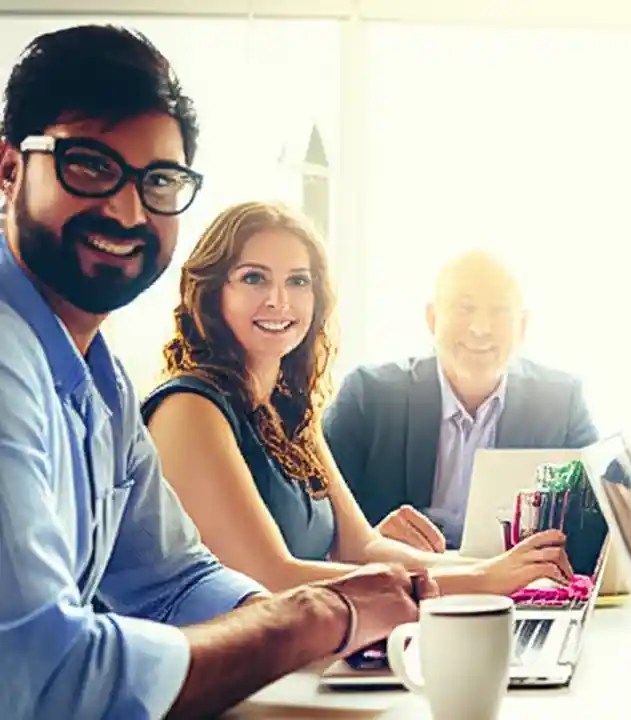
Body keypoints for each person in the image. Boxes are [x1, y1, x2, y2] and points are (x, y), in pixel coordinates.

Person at [0, 25, 424, 718]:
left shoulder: (100, 381)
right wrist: (316, 618)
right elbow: (43, 672)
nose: (127, 209)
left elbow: (174, 581)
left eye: (159, 180)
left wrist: (340, 628)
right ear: (9, 169)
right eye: (89, 166)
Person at [143, 201, 574, 595]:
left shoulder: (290, 411)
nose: (279, 300)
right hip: (221, 668)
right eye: (254, 278)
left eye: (298, 281)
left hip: (301, 648)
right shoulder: (189, 410)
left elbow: (364, 547)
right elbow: (273, 578)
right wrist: (480, 580)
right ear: (212, 290)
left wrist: (505, 569)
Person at [325, 249, 598, 549]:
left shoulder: (561, 402)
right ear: (432, 318)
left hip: (514, 589)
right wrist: (370, 540)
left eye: (499, 311)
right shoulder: (369, 396)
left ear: (522, 326)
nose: (480, 328)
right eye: (464, 308)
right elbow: (313, 521)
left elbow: (601, 517)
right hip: (400, 581)